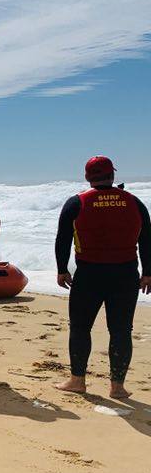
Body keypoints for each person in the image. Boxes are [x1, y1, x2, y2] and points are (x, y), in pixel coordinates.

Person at [54, 156, 151, 399]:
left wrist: (61, 269)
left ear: (88, 177)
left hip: (89, 275)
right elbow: (147, 239)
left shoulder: (76, 203)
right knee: (120, 330)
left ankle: (78, 381)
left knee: (80, 328)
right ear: (112, 176)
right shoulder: (134, 202)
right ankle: (117, 387)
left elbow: (63, 239)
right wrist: (148, 271)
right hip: (126, 274)